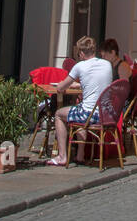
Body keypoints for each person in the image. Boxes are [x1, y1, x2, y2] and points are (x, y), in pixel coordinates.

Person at [49, 36, 114, 166]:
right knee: (78, 110)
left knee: (59, 114)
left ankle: (62, 156)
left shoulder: (80, 66)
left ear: (82, 53)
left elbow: (61, 88)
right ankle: (80, 155)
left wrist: (64, 84)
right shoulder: (107, 64)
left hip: (88, 114)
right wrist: (81, 85)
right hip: (106, 114)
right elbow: (98, 83)